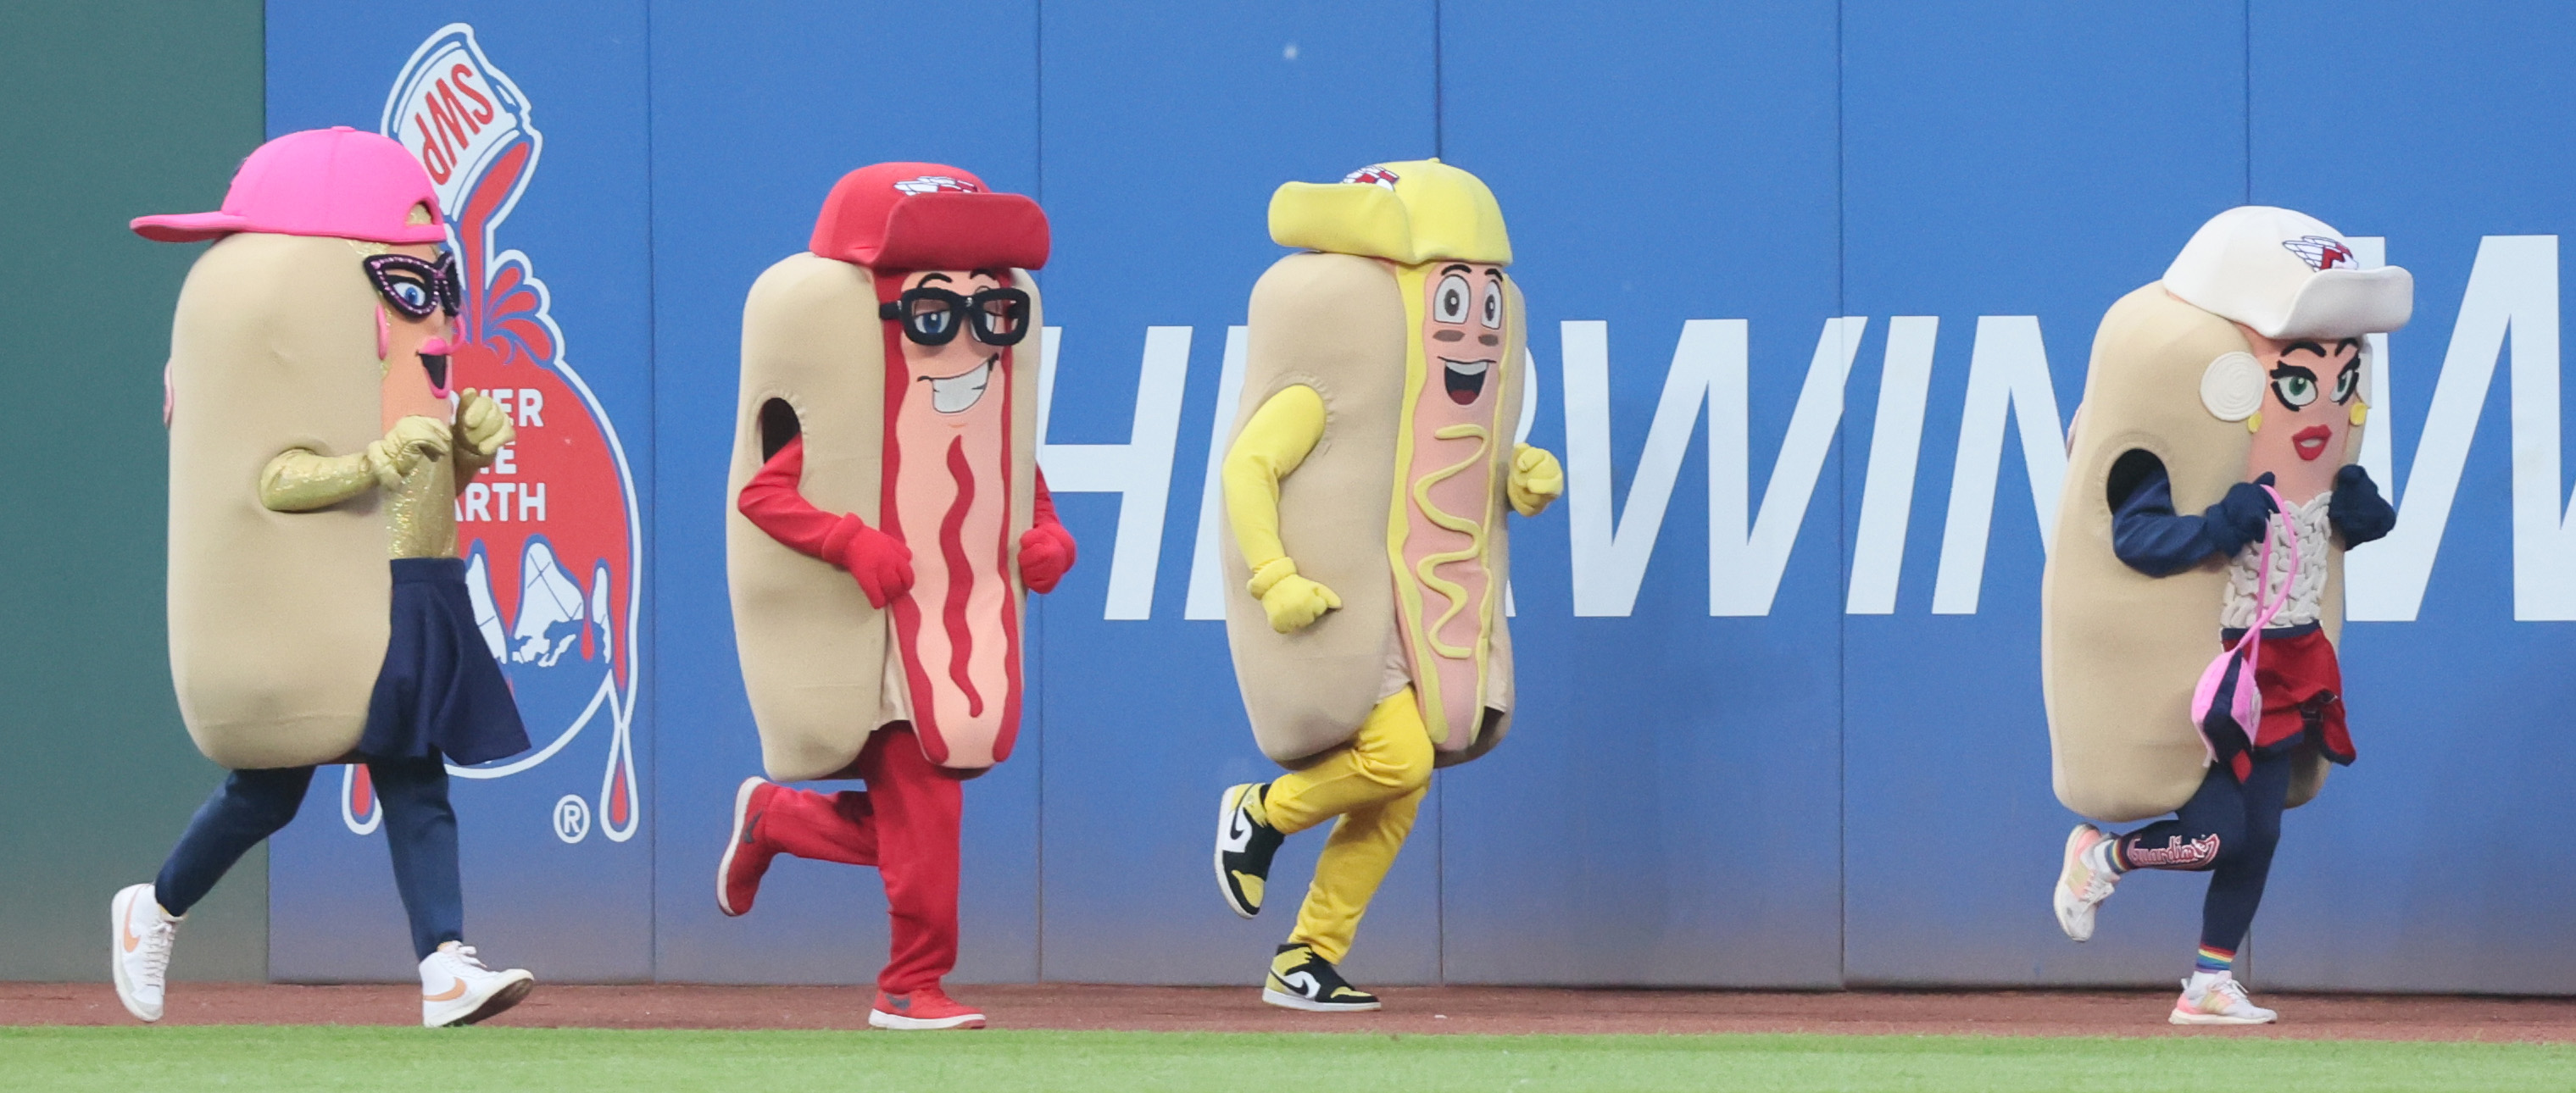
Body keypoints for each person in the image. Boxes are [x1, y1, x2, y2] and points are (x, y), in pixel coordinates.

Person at [116, 127, 535, 1028]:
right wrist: (374, 461)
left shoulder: (409, 373)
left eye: (439, 285)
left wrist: (464, 455)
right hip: (320, 601)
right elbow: (272, 480)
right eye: (408, 286)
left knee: (415, 778)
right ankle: (154, 907)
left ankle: (445, 964)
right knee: (268, 792)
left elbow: (422, 494)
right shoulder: (282, 342)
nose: (434, 313)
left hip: (411, 591)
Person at [715, 164, 1073, 1030]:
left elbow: (1021, 484)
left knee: (917, 828)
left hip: (959, 636)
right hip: (874, 645)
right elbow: (763, 495)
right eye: (933, 311)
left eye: (993, 310)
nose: (970, 337)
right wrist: (849, 540)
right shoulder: (854, 413)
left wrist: (1049, 536)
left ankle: (777, 819)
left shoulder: (989, 407)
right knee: (932, 813)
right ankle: (908, 986)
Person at [1211, 160, 1562, 1011]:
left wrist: (1517, 477)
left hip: (1427, 608)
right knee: (1398, 759)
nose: (1472, 328)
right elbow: (1248, 469)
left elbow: (1443, 482)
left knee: (1399, 792)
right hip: (1345, 604)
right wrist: (1273, 577)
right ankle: (1262, 811)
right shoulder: (1328, 384)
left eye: (1484, 303)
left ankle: (1306, 956)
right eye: (1450, 299)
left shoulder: (1455, 410)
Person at [2049, 206, 2406, 1025]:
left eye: (2340, 375)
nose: (2318, 399)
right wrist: (2211, 527)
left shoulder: (2310, 469)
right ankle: (2101, 855)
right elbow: (2130, 534)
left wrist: (2364, 511)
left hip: (2293, 665)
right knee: (2217, 838)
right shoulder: (2180, 444)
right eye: (2294, 377)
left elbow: (2337, 537)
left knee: (2262, 835)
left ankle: (2209, 981)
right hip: (2216, 674)